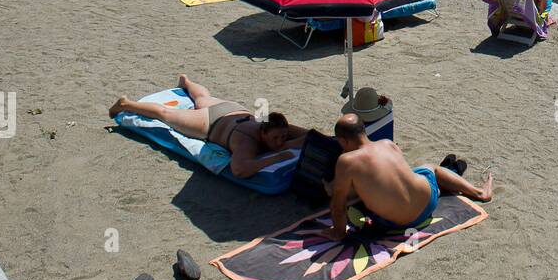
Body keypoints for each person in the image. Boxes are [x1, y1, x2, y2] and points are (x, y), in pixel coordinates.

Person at [321, 112, 493, 238]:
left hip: (398, 223)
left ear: (343, 141)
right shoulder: (388, 144)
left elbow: (338, 206)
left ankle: (447, 182)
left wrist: (337, 231)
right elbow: (399, 177)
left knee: (349, 194)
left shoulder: (346, 161)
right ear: (363, 131)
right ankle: (479, 193)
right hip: (428, 203)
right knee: (429, 168)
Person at [108, 75, 307, 179]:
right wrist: (278, 155)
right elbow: (239, 170)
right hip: (210, 122)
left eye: (283, 136)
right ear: (262, 132)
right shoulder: (248, 143)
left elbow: (309, 135)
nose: (280, 140)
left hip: (233, 111)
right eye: (275, 138)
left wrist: (286, 144)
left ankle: (186, 81)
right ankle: (125, 104)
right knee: (166, 114)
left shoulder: (274, 126)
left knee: (202, 98)